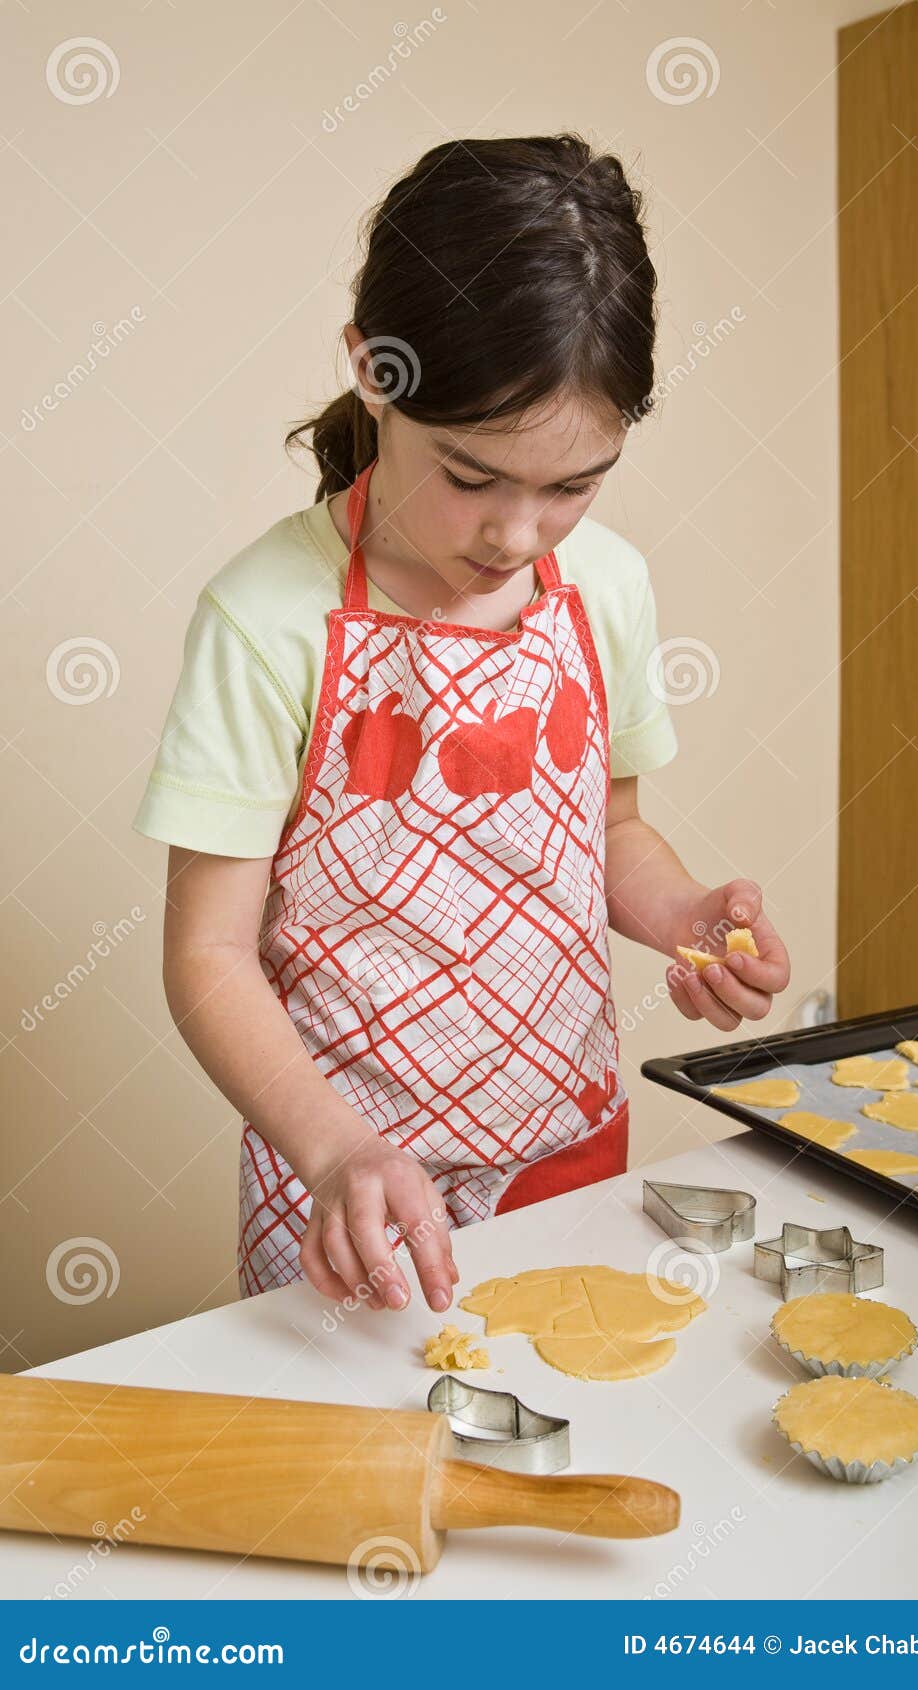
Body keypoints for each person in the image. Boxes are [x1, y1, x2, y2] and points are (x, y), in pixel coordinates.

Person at [133, 134, 790, 1319]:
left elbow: (610, 829)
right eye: (473, 475)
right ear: (373, 374)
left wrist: (684, 917)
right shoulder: (264, 618)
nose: (517, 535)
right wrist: (335, 1154)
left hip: (566, 1142)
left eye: (573, 485)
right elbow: (208, 957)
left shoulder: (608, 587)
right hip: (345, 1183)